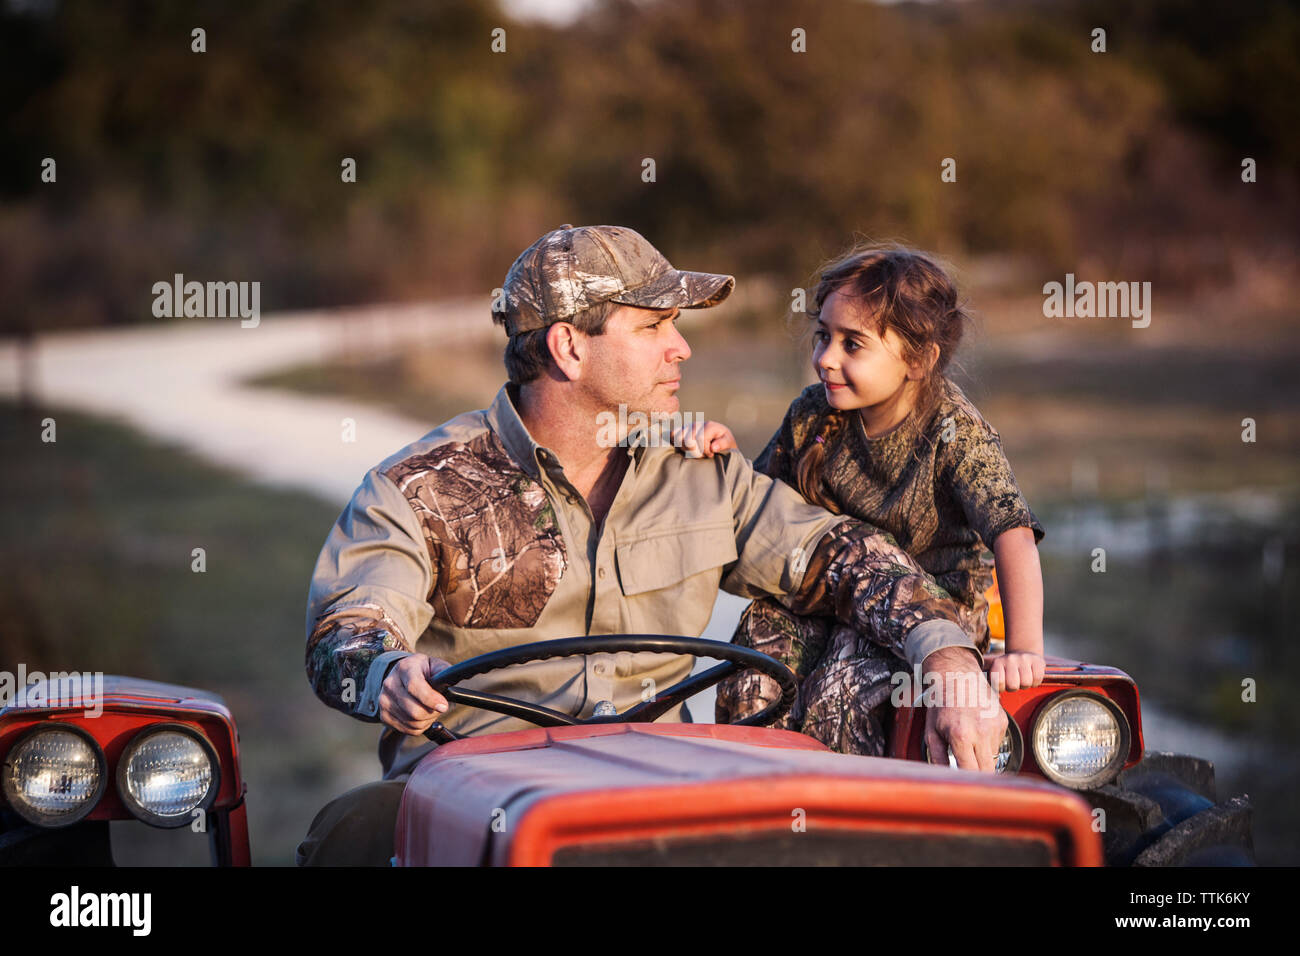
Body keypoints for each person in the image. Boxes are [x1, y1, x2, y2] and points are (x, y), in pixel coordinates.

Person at [296, 225, 1006, 866]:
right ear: (568, 347)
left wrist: (945, 658)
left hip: (665, 796)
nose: (682, 347)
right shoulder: (417, 488)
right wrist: (384, 670)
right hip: (477, 798)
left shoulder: (701, 474)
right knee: (349, 836)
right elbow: (346, 633)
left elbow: (843, 557)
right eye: (653, 326)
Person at [678, 243, 1045, 756]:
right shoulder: (812, 414)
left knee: (840, 689)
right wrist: (727, 454)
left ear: (918, 359)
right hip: (829, 602)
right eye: (823, 336)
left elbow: (1014, 534)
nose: (825, 358)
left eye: (853, 344)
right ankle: (757, 794)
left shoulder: (953, 432)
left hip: (926, 617)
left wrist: (1025, 649)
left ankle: (845, 815)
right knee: (756, 650)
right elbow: (766, 506)